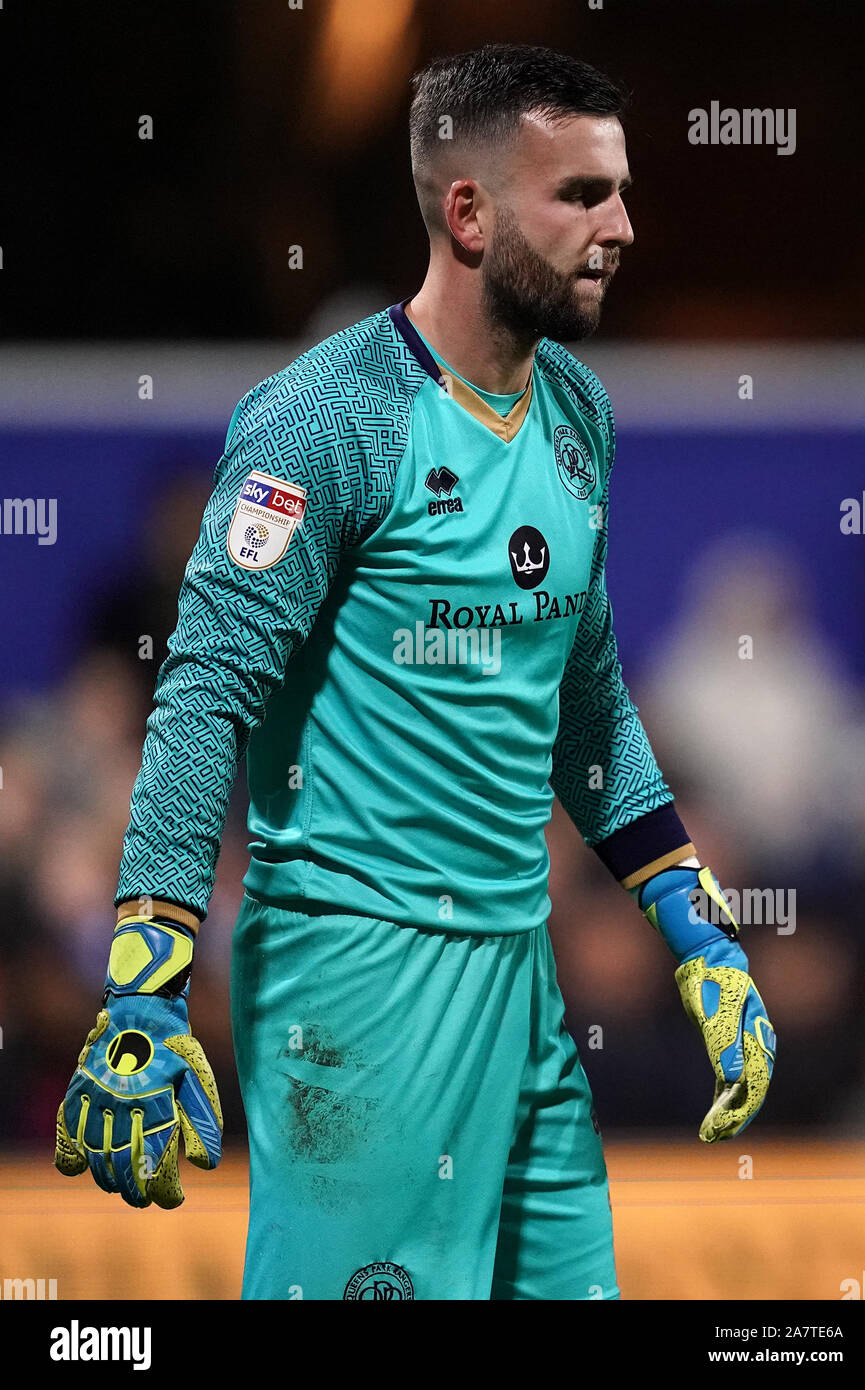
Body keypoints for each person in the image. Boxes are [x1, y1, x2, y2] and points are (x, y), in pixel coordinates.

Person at [55, 42, 775, 1302]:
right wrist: (147, 979)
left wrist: (695, 929)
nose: (622, 225)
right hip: (357, 988)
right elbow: (203, 694)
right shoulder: (323, 421)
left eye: (618, 189)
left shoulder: (574, 415)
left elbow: (586, 695)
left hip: (521, 976)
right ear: (467, 211)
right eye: (582, 196)